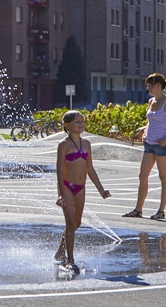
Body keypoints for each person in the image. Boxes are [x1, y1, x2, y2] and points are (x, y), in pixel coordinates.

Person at [54, 110, 111, 274]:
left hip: (81, 187)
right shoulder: (63, 145)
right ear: (67, 125)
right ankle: (70, 260)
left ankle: (61, 249)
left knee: (77, 223)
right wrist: (60, 194)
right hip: (66, 187)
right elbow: (59, 170)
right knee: (70, 223)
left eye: (82, 121)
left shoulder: (86, 144)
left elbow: (90, 168)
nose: (81, 124)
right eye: (77, 122)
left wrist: (101, 189)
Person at [123, 73, 166, 220]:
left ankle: (161, 211)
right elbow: (152, 121)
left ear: (158, 85)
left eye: (150, 85)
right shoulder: (151, 101)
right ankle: (138, 209)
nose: (148, 88)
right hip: (149, 143)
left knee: (163, 176)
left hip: (162, 145)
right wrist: (144, 129)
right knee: (143, 176)